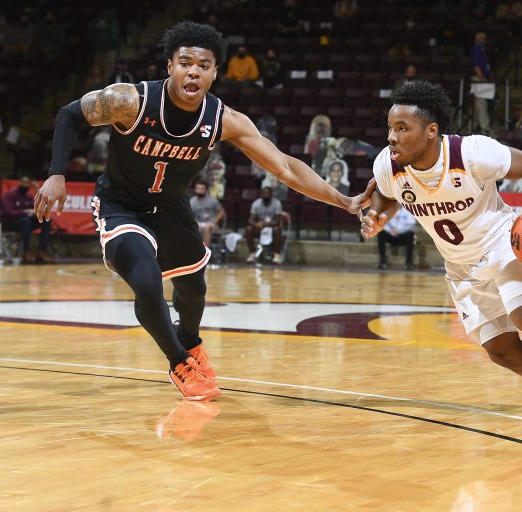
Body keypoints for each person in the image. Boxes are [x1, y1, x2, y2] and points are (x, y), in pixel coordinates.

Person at [33, 21, 372, 401]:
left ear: (214, 74)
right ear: (170, 67)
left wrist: (344, 201)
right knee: (145, 279)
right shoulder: (130, 100)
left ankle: (191, 344)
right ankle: (180, 363)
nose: (193, 70)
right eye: (185, 62)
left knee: (194, 292)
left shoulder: (225, 120)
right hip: (121, 205)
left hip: (172, 207)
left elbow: (286, 167)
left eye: (203, 65)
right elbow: (69, 114)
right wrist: (56, 174)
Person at [361, 81, 522, 417]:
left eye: (402, 128)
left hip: (502, 246)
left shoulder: (471, 153)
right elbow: (388, 193)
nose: (392, 136)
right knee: (503, 353)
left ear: (430, 131)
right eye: (390, 128)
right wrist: (379, 215)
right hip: (459, 267)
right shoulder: (388, 163)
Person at [1, 176, 53, 264]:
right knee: (26, 221)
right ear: (19, 183)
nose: (25, 185)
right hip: (9, 222)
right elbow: (8, 213)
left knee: (46, 220)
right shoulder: (10, 194)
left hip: (24, 222)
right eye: (23, 182)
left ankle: (41, 251)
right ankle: (26, 252)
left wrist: (37, 190)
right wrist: (25, 211)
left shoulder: (28, 196)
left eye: (27, 183)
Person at [245, 186, 283, 264]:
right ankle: (252, 254)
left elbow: (277, 221)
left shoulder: (277, 203)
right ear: (261, 194)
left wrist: (265, 224)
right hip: (259, 228)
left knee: (277, 229)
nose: (266, 195)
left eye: (268, 193)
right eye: (264, 193)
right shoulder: (256, 203)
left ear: (271, 194)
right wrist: (256, 224)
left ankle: (277, 255)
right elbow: (250, 220)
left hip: (271, 227)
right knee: (249, 229)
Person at [470, 31, 493, 135]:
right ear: (476, 39)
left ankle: (473, 126)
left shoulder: (483, 51)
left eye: (483, 38)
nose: (482, 40)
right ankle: (485, 127)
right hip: (479, 80)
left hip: (484, 79)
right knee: (481, 104)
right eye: (479, 37)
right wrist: (482, 78)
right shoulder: (476, 50)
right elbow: (476, 66)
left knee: (477, 104)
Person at [189, 180, 223, 248]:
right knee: (194, 227)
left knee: (207, 227)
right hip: (198, 223)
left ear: (206, 190)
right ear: (195, 189)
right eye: (198, 188)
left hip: (211, 223)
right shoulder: (192, 201)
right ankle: (195, 249)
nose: (200, 190)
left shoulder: (212, 200)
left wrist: (215, 221)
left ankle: (205, 249)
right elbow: (190, 215)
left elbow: (221, 212)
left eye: (202, 189)